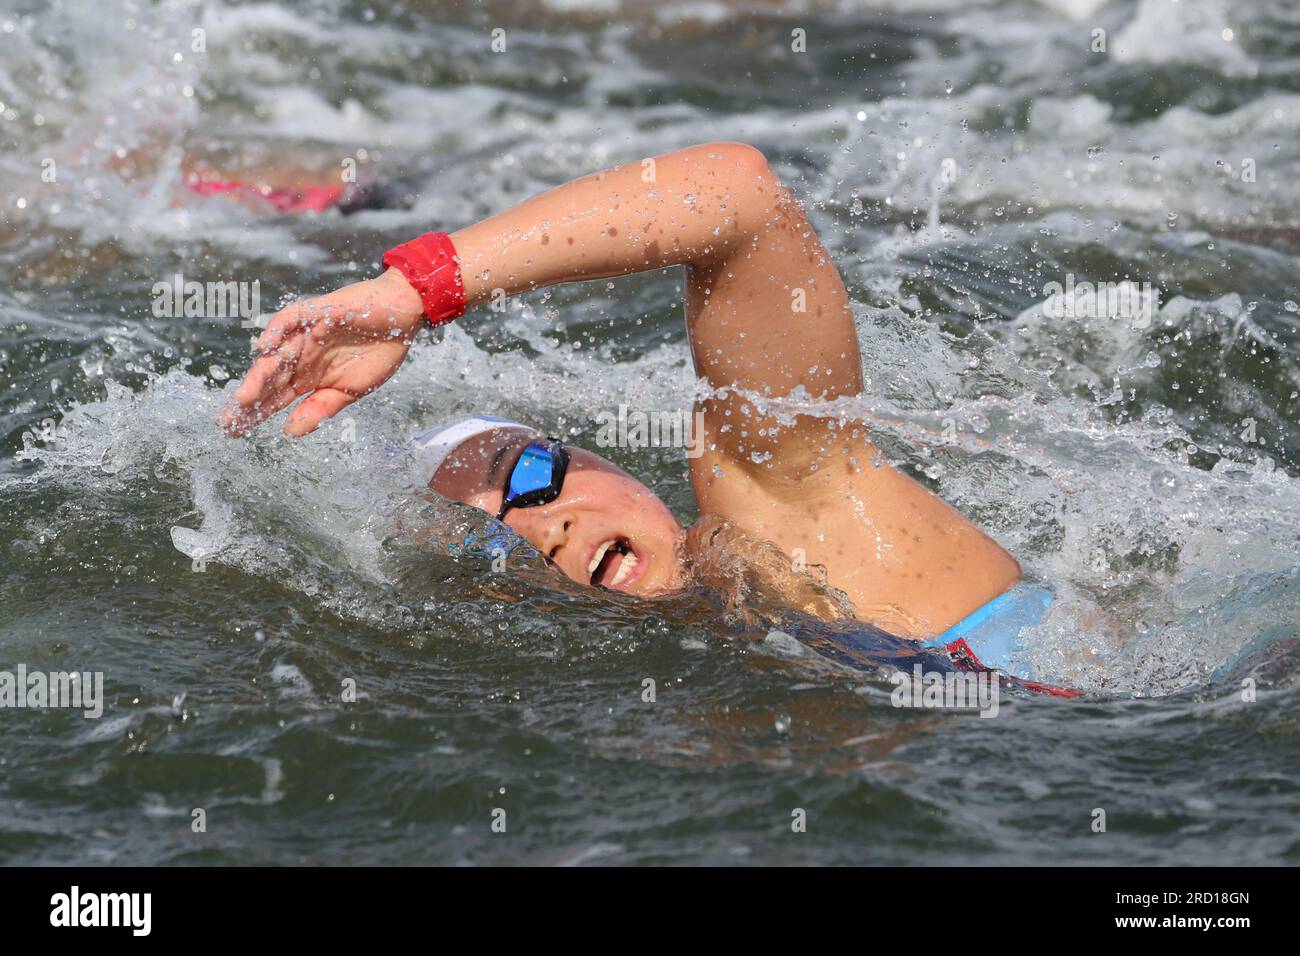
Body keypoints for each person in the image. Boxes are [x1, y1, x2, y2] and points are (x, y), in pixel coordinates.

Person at [220, 142, 1055, 680]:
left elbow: (739, 198)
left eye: (533, 476)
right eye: (489, 539)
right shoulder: (677, 721)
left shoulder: (791, 514)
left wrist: (415, 292)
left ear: (612, 466)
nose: (539, 530)